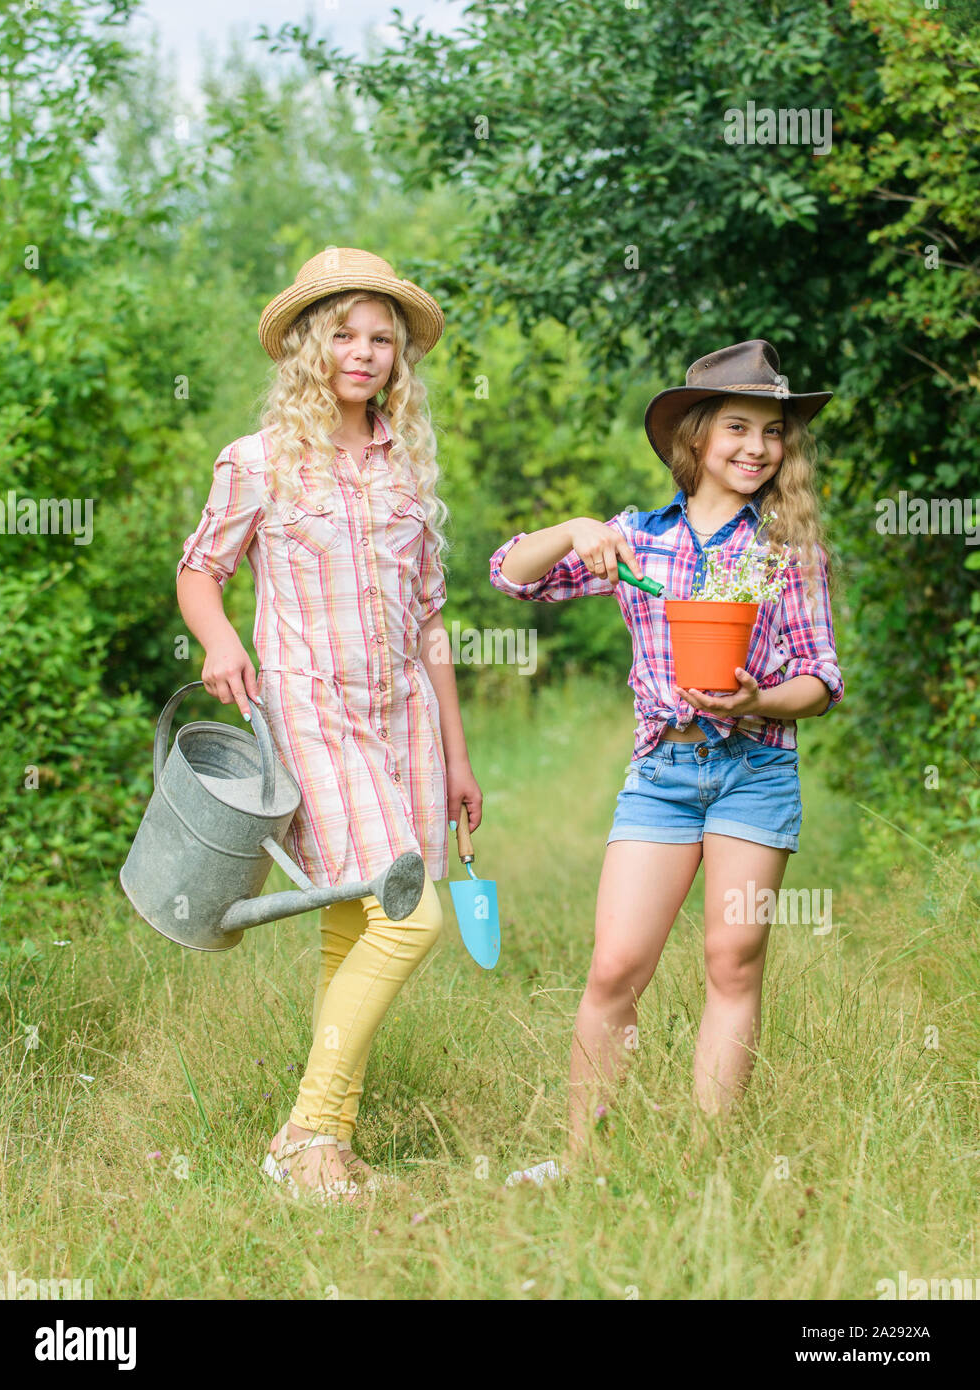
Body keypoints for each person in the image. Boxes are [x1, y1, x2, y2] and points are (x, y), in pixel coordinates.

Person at [489, 339, 843, 1183]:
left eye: (771, 432)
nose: (756, 448)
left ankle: (707, 1164)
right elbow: (512, 576)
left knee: (732, 958)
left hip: (753, 771)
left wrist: (758, 698)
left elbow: (821, 680)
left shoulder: (784, 553)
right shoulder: (635, 542)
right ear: (694, 437)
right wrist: (577, 529)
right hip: (662, 776)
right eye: (737, 427)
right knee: (615, 966)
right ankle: (582, 1163)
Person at [176, 248, 482, 1203]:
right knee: (409, 914)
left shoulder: (408, 467)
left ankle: (326, 1151)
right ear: (311, 345)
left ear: (399, 357)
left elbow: (430, 618)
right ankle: (304, 1132)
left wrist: (460, 754)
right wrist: (221, 643)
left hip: (402, 718)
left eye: (381, 338)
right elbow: (199, 570)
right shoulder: (257, 461)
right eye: (344, 334)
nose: (364, 352)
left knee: (356, 920)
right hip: (308, 709)